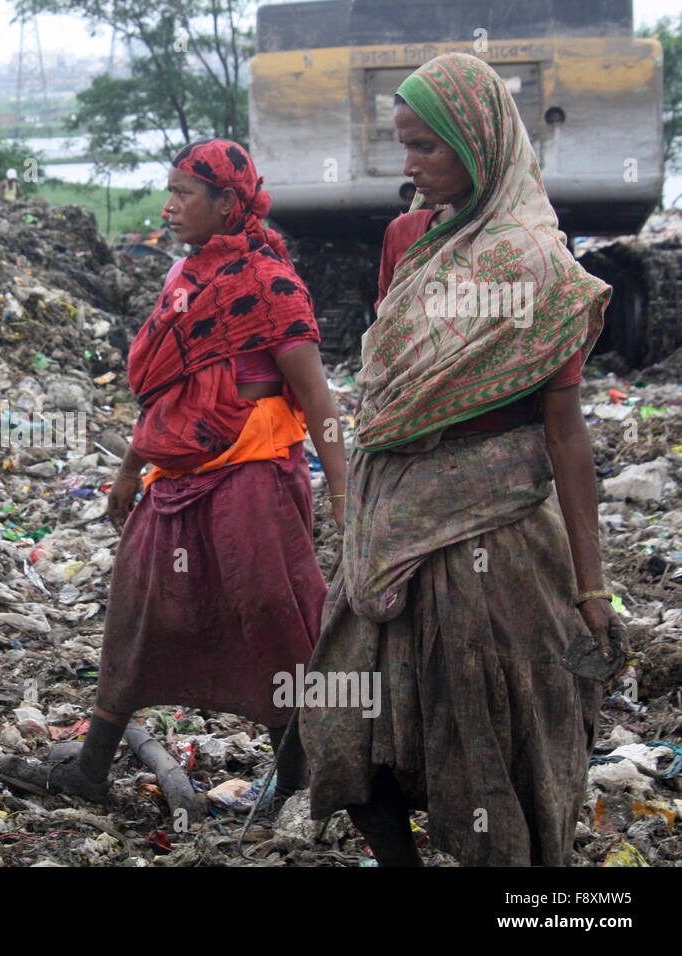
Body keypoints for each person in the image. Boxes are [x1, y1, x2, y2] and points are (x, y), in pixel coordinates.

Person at [299, 52, 623, 867]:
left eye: (426, 147)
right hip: (391, 522)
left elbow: (565, 430)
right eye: (402, 144)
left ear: (478, 144)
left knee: (493, 735)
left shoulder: (539, 267)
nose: (408, 166)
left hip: (498, 536)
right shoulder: (408, 239)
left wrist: (591, 588)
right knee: (344, 717)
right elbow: (394, 383)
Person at [0, 139, 347, 813]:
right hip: (175, 476)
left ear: (228, 202)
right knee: (135, 612)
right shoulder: (184, 281)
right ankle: (91, 768)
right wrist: (130, 468)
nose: (171, 205)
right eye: (172, 190)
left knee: (272, 618)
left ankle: (298, 779)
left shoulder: (269, 284)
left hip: (252, 476)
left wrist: (343, 493)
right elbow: (167, 392)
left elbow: (317, 397)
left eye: (186, 193)